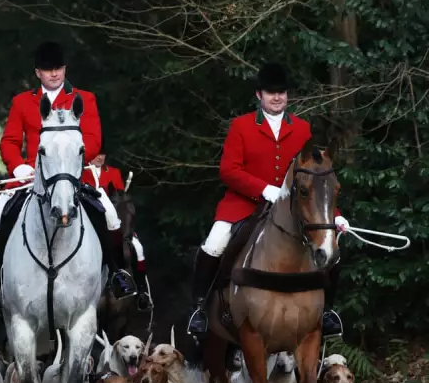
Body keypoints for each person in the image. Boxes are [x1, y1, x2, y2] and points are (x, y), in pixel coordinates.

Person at [185, 62, 348, 338]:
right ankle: (199, 310)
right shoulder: (241, 126)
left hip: (292, 209)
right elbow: (228, 170)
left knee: (332, 247)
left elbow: (317, 179)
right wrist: (263, 189)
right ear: (259, 95)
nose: (277, 97)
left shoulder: (302, 129)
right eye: (271, 92)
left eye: (282, 92)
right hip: (244, 205)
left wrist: (336, 215)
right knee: (214, 244)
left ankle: (327, 311)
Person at [0, 40, 138, 302]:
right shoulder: (22, 102)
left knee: (110, 214)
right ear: (37, 72)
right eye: (47, 69)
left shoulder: (83, 99)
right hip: (31, 175)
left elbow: (94, 139)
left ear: (65, 68)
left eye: (58, 68)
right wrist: (17, 166)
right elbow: (9, 141)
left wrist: (72, 154)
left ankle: (118, 271)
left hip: (74, 174)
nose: (54, 74)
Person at [82, 146, 153, 312]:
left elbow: (121, 198)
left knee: (139, 249)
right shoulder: (81, 172)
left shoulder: (113, 172)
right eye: (97, 153)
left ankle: (142, 292)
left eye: (103, 153)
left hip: (117, 223)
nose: (100, 157)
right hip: (93, 222)